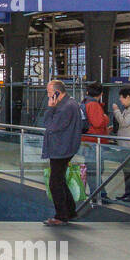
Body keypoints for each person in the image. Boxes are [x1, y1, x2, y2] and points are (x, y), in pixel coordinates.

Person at [41, 80, 84, 226]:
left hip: (61, 149)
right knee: (59, 180)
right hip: (64, 147)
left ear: (57, 92)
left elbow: (49, 125)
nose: (48, 96)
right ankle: (70, 211)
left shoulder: (65, 107)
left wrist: (50, 108)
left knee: (55, 183)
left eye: (49, 93)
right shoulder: (69, 104)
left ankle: (61, 216)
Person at [81, 83, 112, 202]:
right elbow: (98, 122)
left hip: (88, 141)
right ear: (101, 94)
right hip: (94, 142)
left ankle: (99, 194)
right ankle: (100, 195)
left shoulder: (84, 103)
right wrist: (105, 117)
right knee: (95, 169)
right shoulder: (93, 105)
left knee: (94, 168)